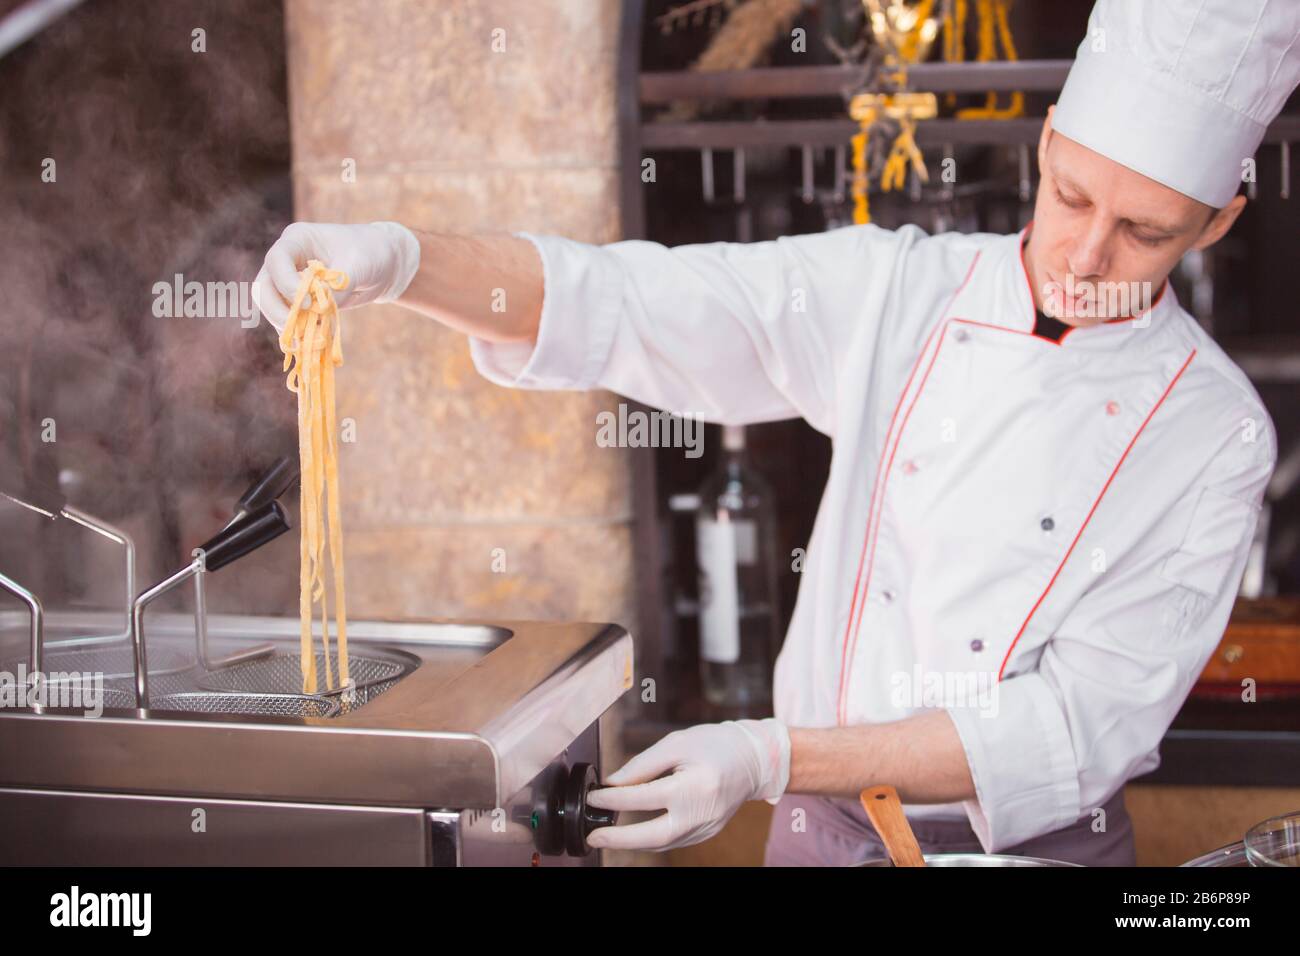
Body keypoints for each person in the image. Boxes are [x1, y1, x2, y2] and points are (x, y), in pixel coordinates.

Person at [253, 0, 1300, 865]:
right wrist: (398, 260)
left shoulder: (1215, 437)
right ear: (1045, 142)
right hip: (820, 839)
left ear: (1217, 224)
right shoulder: (900, 289)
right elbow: (629, 302)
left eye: (1145, 232)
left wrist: (767, 755)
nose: (1085, 252)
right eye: (1070, 195)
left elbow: (1069, 727)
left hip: (1032, 851)